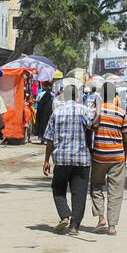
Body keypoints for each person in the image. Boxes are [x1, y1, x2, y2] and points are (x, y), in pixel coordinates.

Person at [42, 87, 94, 234]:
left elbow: (50, 139)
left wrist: (46, 160)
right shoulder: (84, 110)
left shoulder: (56, 113)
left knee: (58, 188)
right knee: (79, 192)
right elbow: (92, 126)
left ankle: (65, 215)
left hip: (61, 158)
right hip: (81, 158)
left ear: (63, 97)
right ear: (77, 96)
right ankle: (74, 226)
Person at [89, 91, 127, 234]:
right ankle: (112, 226)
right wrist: (124, 155)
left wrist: (91, 150)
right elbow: (125, 138)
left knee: (96, 186)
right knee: (115, 191)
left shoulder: (95, 111)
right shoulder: (121, 113)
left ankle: (101, 218)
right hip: (117, 157)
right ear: (114, 96)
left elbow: (89, 131)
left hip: (99, 155)